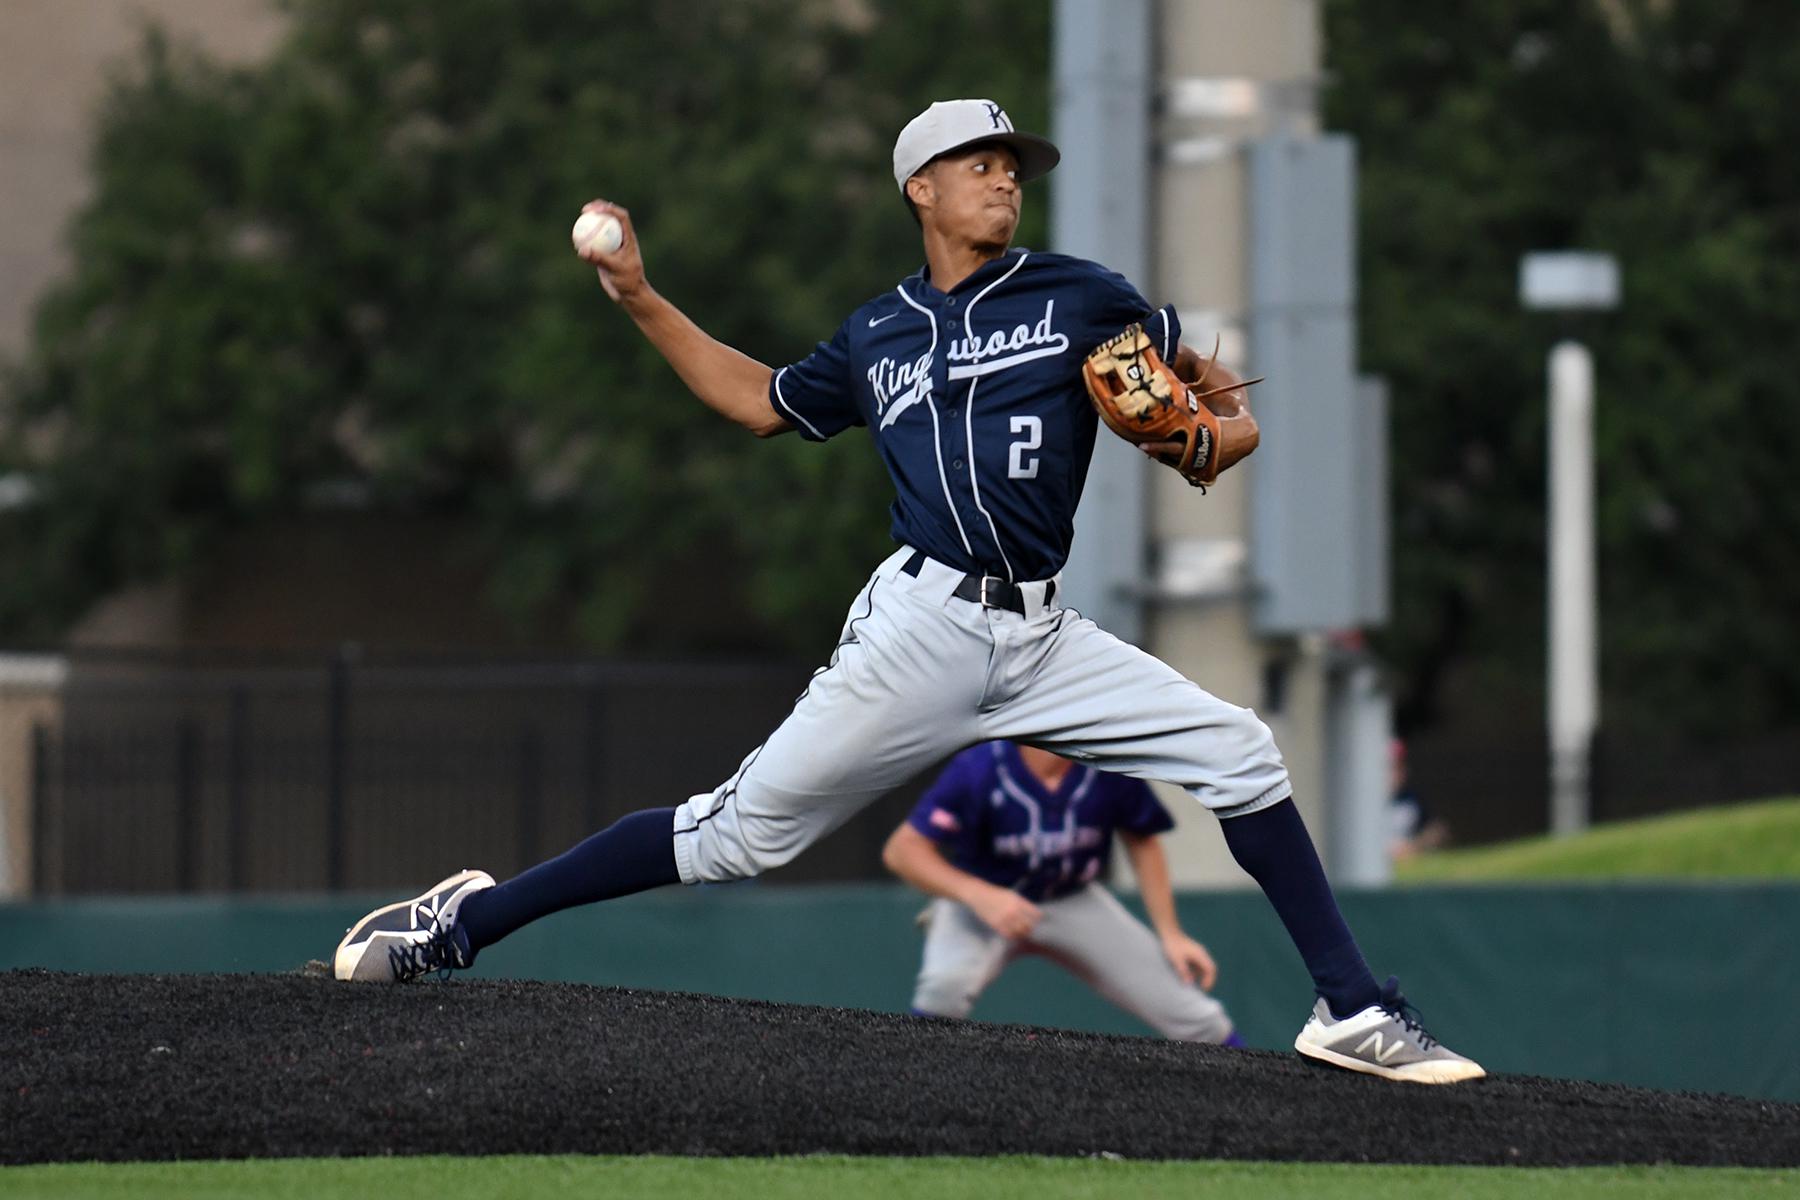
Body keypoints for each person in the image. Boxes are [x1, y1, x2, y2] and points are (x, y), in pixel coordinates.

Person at [333, 98, 1483, 1084]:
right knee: (735, 840)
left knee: (1243, 752)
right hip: (921, 629)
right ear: (921, 188)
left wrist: (1218, 423)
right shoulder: (878, 333)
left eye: (1014, 168)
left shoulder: (1080, 295)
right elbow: (757, 400)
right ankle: (464, 923)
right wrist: (639, 295)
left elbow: (1201, 376)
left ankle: (1355, 1010)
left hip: (1042, 634)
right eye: (983, 165)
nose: (1006, 181)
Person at [887, 741, 1244, 1045]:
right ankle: (906, 1098)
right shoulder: (979, 767)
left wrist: (1171, 932)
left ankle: (1261, 1110)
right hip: (983, 901)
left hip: (1073, 897)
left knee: (1196, 1016)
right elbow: (903, 851)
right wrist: (977, 895)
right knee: (943, 990)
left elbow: (1143, 841)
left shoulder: (1105, 760)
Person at [1389, 738, 1451, 863]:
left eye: (1398, 767)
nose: (1394, 774)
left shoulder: (1411, 800)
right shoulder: (1358, 805)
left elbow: (1438, 831)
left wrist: (1414, 846)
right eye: (1389, 768)